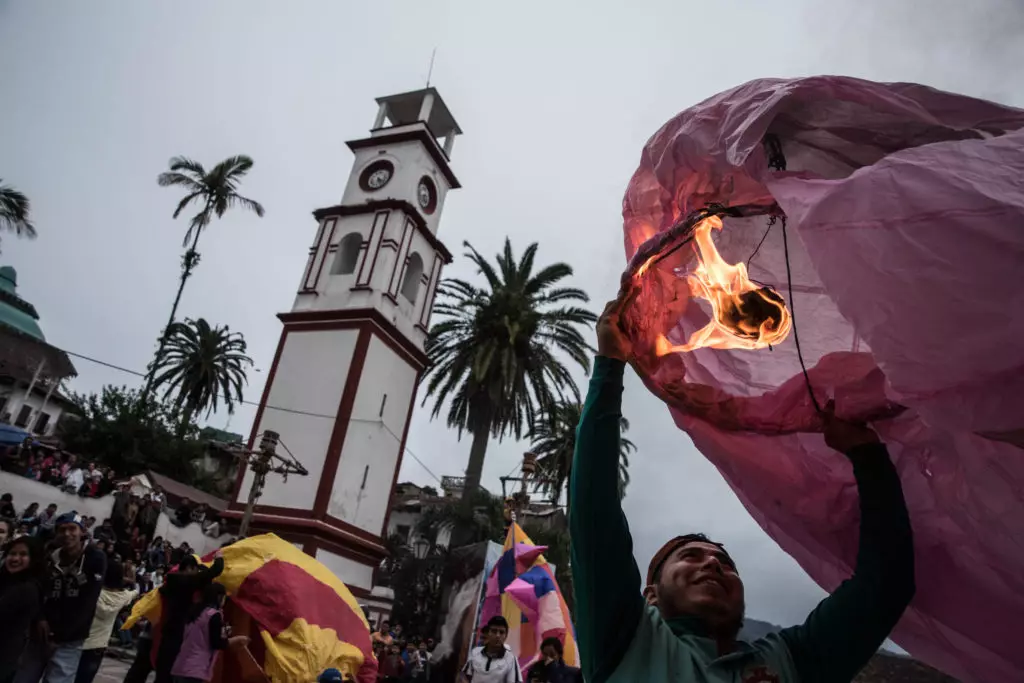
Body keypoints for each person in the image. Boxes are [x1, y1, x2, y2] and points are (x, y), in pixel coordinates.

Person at [569, 294, 916, 683]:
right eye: (690, 556)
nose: (713, 563)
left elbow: (885, 585)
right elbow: (594, 519)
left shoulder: (790, 662)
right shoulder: (627, 642)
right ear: (650, 596)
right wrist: (610, 363)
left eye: (726, 563)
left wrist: (865, 450)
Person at [16, 512, 108, 683]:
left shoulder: (95, 557)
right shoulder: (50, 557)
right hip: (40, 633)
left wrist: (60, 637)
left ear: (82, 531)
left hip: (69, 638)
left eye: (72, 529)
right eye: (62, 530)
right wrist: (40, 618)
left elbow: (87, 602)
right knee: (23, 677)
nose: (67, 534)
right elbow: (39, 591)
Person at [154, 553, 225, 683]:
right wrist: (219, 557)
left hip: (169, 632)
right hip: (179, 634)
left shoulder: (170, 582)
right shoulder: (187, 582)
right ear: (189, 568)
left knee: (163, 674)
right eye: (195, 570)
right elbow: (216, 570)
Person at [74, 560, 138, 683]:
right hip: (98, 646)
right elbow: (135, 591)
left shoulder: (94, 592)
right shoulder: (123, 597)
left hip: (79, 640)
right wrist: (131, 580)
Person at [170, 582, 249, 683]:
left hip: (180, 666)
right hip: (195, 668)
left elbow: (202, 634)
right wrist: (238, 639)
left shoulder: (195, 612)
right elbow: (217, 643)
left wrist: (223, 630)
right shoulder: (214, 615)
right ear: (219, 597)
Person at [0, 535, 44, 683]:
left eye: (23, 554)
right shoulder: (8, 581)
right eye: (12, 553)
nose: (15, 558)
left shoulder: (26, 588)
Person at [459, 616, 522, 683]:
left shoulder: (511, 659)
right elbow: (465, 676)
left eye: (501, 632)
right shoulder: (475, 652)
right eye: (494, 631)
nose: (497, 635)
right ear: (488, 633)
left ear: (506, 636)